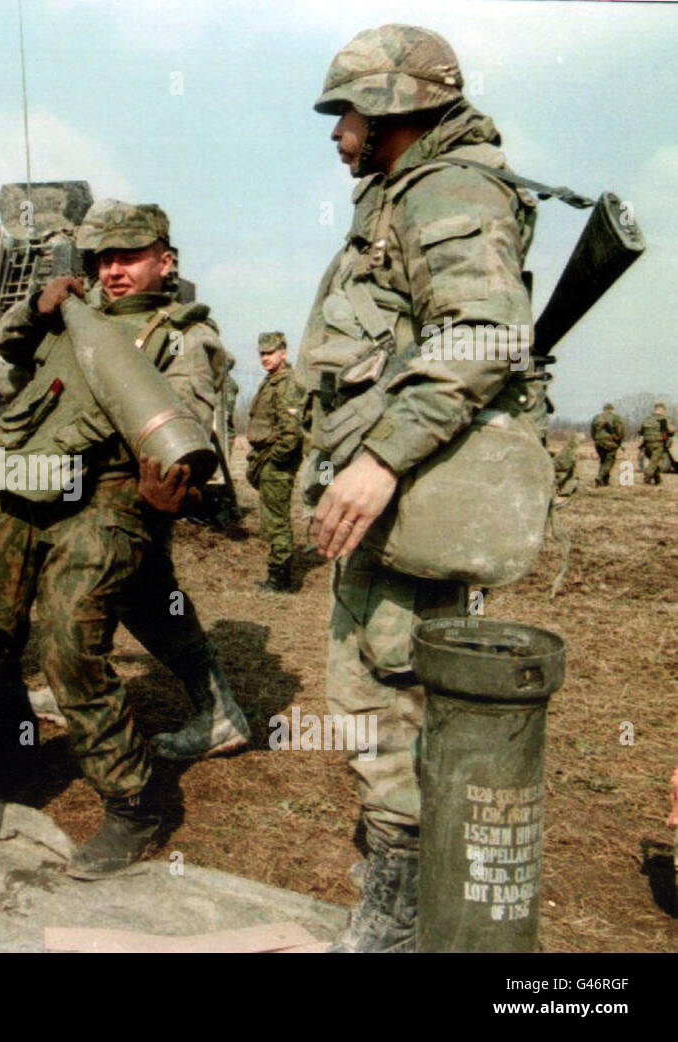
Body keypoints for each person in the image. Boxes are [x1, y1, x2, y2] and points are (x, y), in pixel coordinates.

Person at [296, 24, 541, 951]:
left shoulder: (450, 188)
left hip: (415, 485)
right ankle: (404, 885)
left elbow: (482, 334)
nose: (337, 132)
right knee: (374, 682)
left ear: (396, 105)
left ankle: (404, 917)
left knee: (390, 687)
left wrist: (382, 457)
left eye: (348, 110)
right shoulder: (404, 192)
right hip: (397, 493)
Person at [0, 199, 250, 877]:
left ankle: (134, 802)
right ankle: (14, 748)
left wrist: (172, 486)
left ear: (165, 260)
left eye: (128, 256)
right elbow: (13, 359)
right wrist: (36, 308)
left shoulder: (183, 335)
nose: (113, 271)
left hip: (107, 496)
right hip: (25, 484)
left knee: (68, 645)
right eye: (102, 259)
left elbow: (187, 424)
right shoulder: (78, 322)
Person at [245, 331, 304, 592]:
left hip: (275, 461)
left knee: (276, 522)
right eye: (262, 354)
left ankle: (279, 580)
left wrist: (278, 459)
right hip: (266, 458)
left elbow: (291, 429)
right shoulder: (272, 381)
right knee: (272, 518)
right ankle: (278, 574)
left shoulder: (286, 383)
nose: (265, 358)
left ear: (283, 352)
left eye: (270, 353)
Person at [590, 402, 626, 486]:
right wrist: (619, 441)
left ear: (604, 409)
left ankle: (604, 482)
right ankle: (600, 477)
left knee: (603, 461)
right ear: (612, 409)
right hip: (610, 442)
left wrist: (596, 440)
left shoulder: (596, 418)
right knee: (610, 461)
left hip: (598, 442)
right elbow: (620, 431)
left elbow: (592, 432)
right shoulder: (615, 418)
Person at [637, 402, 672, 485]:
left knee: (654, 462)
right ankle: (647, 477)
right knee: (653, 463)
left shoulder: (646, 419)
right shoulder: (662, 420)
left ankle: (657, 480)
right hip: (658, 445)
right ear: (661, 409)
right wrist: (667, 443)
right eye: (664, 410)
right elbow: (665, 433)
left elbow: (641, 432)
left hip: (647, 445)